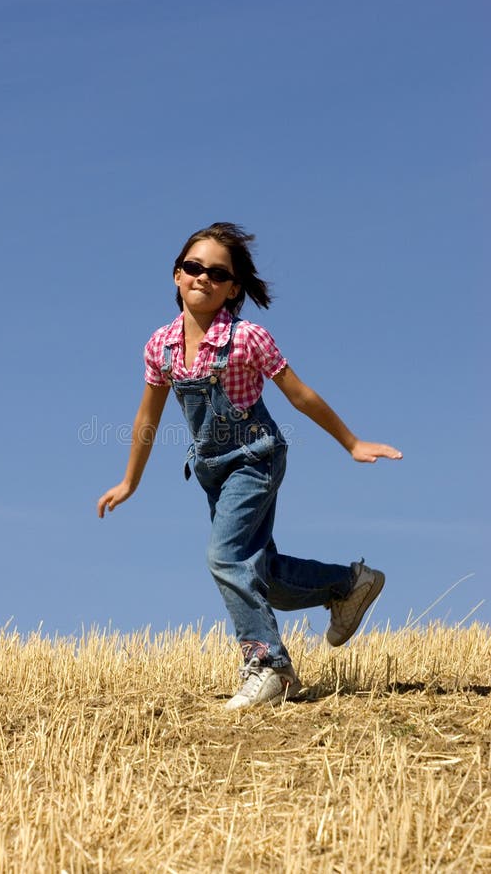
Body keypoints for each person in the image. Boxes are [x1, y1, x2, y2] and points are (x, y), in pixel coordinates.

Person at [97, 222, 402, 710]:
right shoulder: (161, 347)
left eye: (218, 273)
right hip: (213, 470)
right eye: (194, 267)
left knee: (225, 558)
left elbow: (299, 395)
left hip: (257, 459)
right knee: (262, 574)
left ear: (233, 289)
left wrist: (352, 442)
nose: (204, 277)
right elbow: (146, 416)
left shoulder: (248, 339)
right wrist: (130, 480)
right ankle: (351, 584)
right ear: (177, 275)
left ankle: (269, 666)